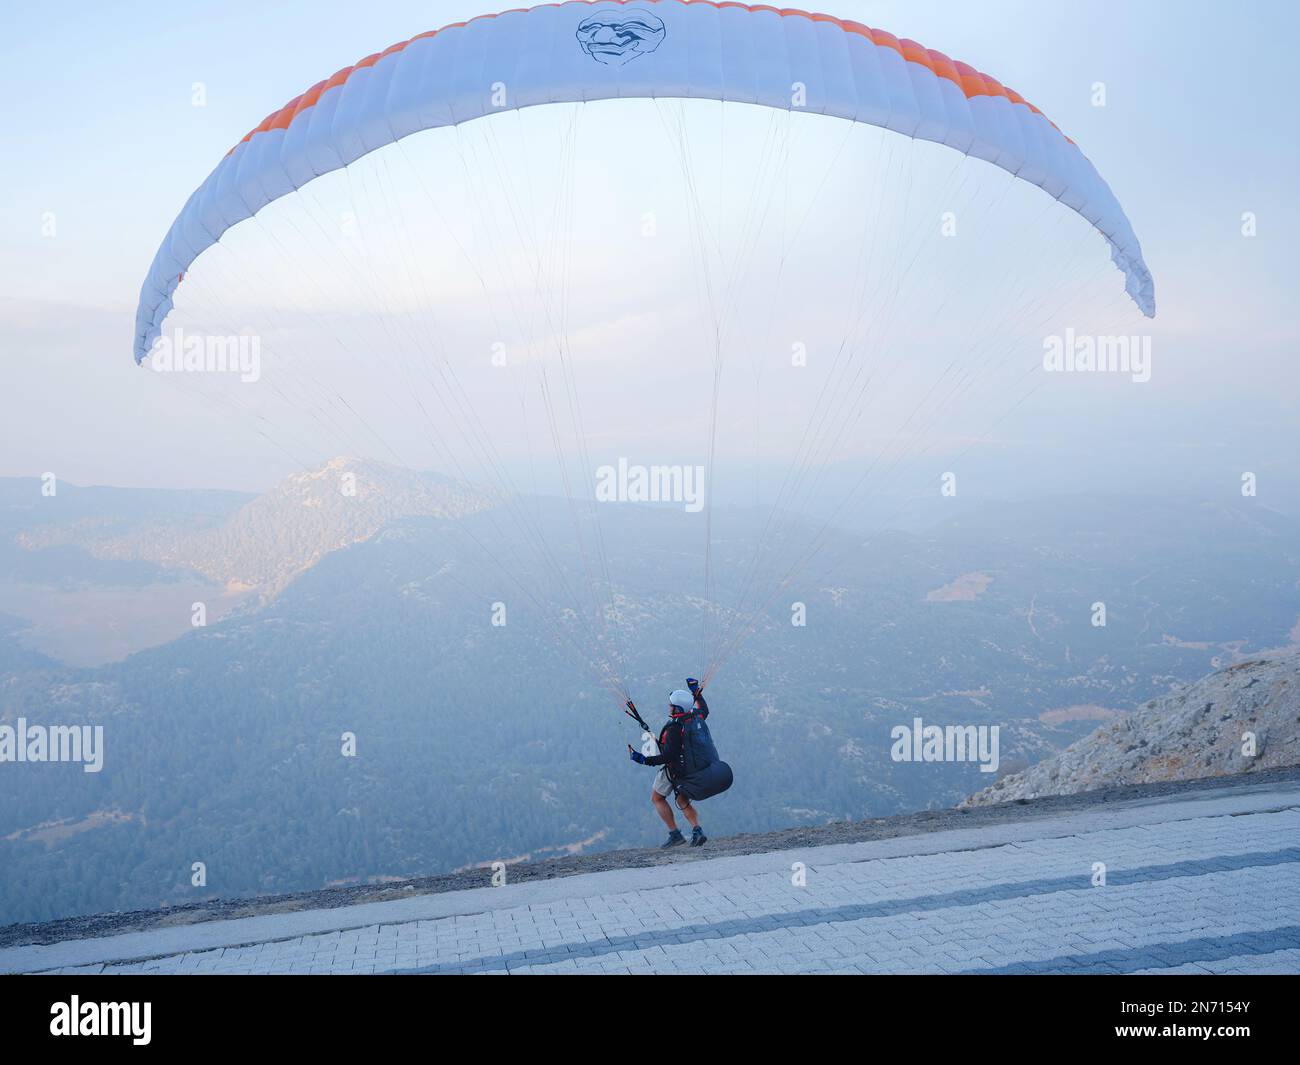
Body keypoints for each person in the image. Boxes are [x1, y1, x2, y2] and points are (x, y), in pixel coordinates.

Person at [627, 677, 733, 848]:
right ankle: (697, 830)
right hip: (695, 767)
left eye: (671, 704)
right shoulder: (696, 716)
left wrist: (643, 759)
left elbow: (667, 756)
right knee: (682, 799)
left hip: (678, 769)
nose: (669, 706)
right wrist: (695, 692)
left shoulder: (674, 729)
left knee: (657, 798)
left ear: (676, 708)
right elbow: (704, 709)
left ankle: (675, 834)